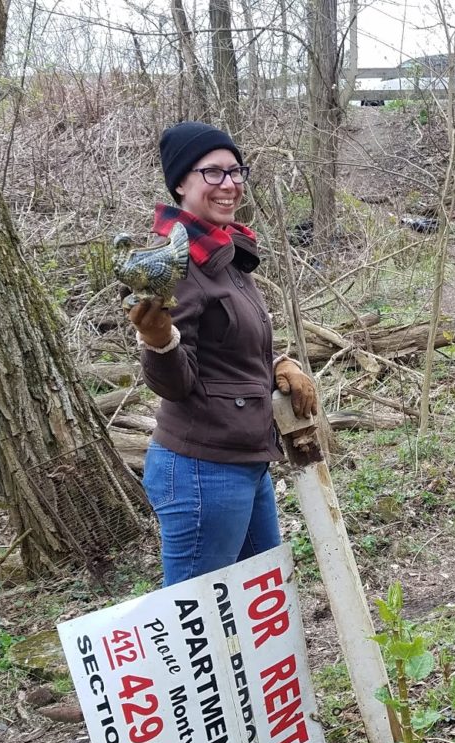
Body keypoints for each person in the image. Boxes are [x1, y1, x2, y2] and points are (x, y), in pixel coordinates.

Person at [127, 121, 319, 586]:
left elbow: (230, 349)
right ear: (180, 183)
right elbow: (176, 384)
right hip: (202, 471)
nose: (229, 184)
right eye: (212, 172)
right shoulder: (174, 264)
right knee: (199, 615)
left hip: (246, 459)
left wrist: (279, 364)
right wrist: (158, 340)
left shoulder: (223, 253)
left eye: (235, 171)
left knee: (262, 608)